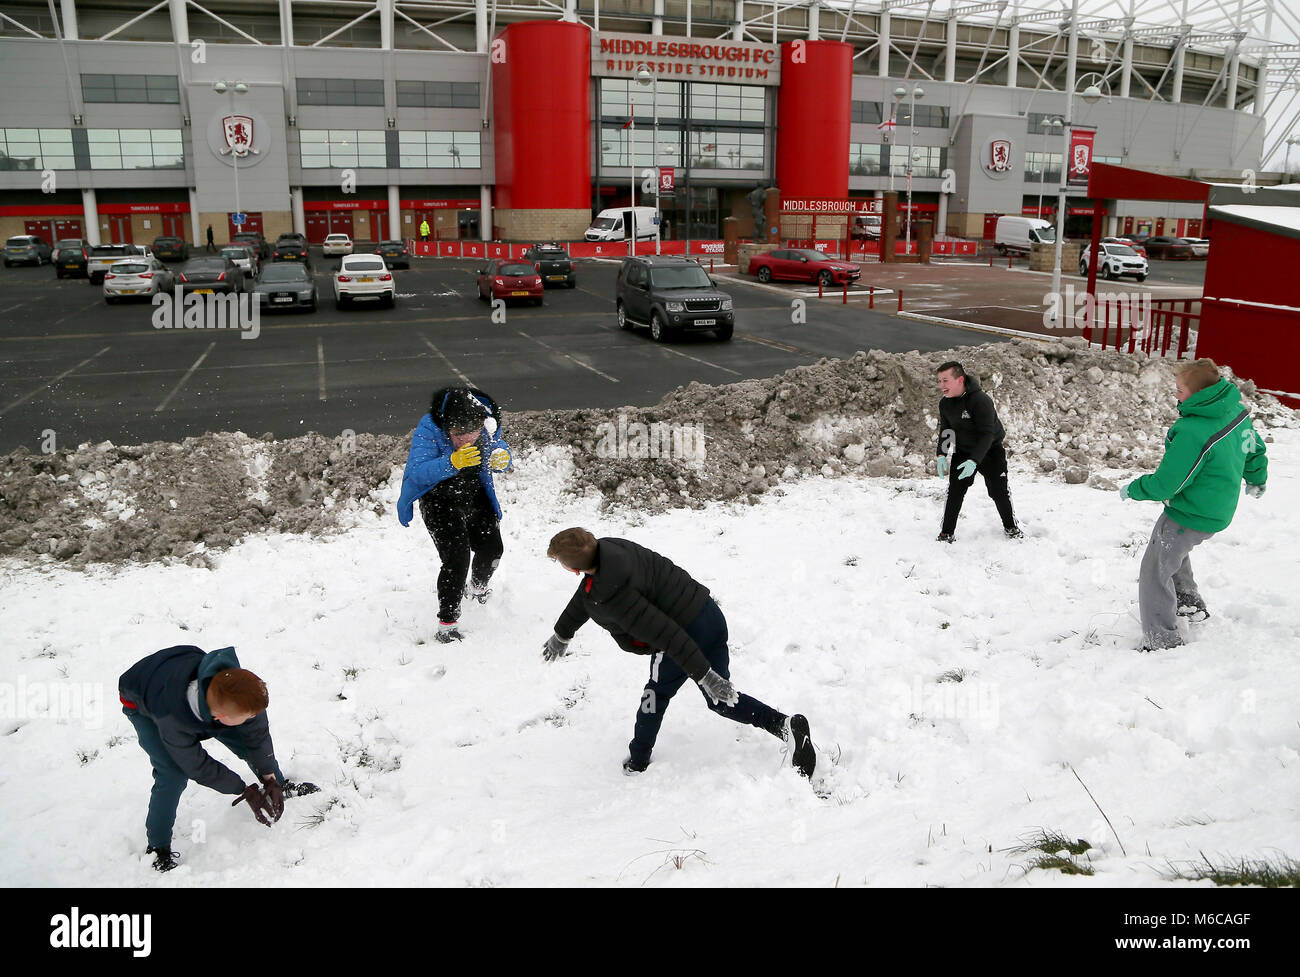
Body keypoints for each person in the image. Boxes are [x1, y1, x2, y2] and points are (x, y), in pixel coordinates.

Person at [541, 528, 816, 779]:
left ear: (572, 569)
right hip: (708, 614)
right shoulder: (611, 548)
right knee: (721, 698)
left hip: (682, 639)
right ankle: (786, 726)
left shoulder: (613, 597)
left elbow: (666, 634)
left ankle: (637, 760)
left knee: (655, 696)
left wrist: (705, 674)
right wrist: (562, 633)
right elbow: (586, 595)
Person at [118, 645, 317, 872]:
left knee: (246, 740)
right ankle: (158, 847)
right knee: (172, 774)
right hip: (143, 699)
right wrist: (242, 789)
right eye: (248, 716)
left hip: (180, 674)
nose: (253, 718)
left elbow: (257, 735)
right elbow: (197, 765)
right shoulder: (172, 719)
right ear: (220, 717)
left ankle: (279, 787)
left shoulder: (240, 692)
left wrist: (270, 778)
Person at [1121, 358, 1267, 652]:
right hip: (1218, 508)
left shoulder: (1193, 431)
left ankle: (1161, 638)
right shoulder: (1236, 412)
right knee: (1174, 552)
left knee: (1155, 569)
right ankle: (1189, 603)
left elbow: (1170, 483)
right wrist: (1256, 478)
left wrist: (1135, 489)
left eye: (1180, 390)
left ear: (1198, 394)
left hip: (1190, 511)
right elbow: (1253, 449)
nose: (1176, 395)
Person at [397, 386, 512, 643]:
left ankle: (477, 588)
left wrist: (503, 458)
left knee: (492, 549)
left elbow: (499, 447)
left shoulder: (487, 425)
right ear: (446, 426)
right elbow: (418, 471)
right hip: (439, 500)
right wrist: (452, 461)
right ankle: (447, 625)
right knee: (457, 558)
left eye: (472, 433)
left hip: (473, 494)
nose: (466, 440)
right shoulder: (429, 428)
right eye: (458, 434)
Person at [934, 360, 1021, 542]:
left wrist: (974, 461)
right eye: (939, 381)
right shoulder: (945, 404)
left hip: (990, 451)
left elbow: (987, 434)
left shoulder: (980, 401)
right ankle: (946, 532)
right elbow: (947, 430)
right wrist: (941, 454)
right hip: (964, 451)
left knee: (998, 491)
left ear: (960, 379)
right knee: (955, 492)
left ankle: (1011, 527)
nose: (941, 385)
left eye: (945, 380)